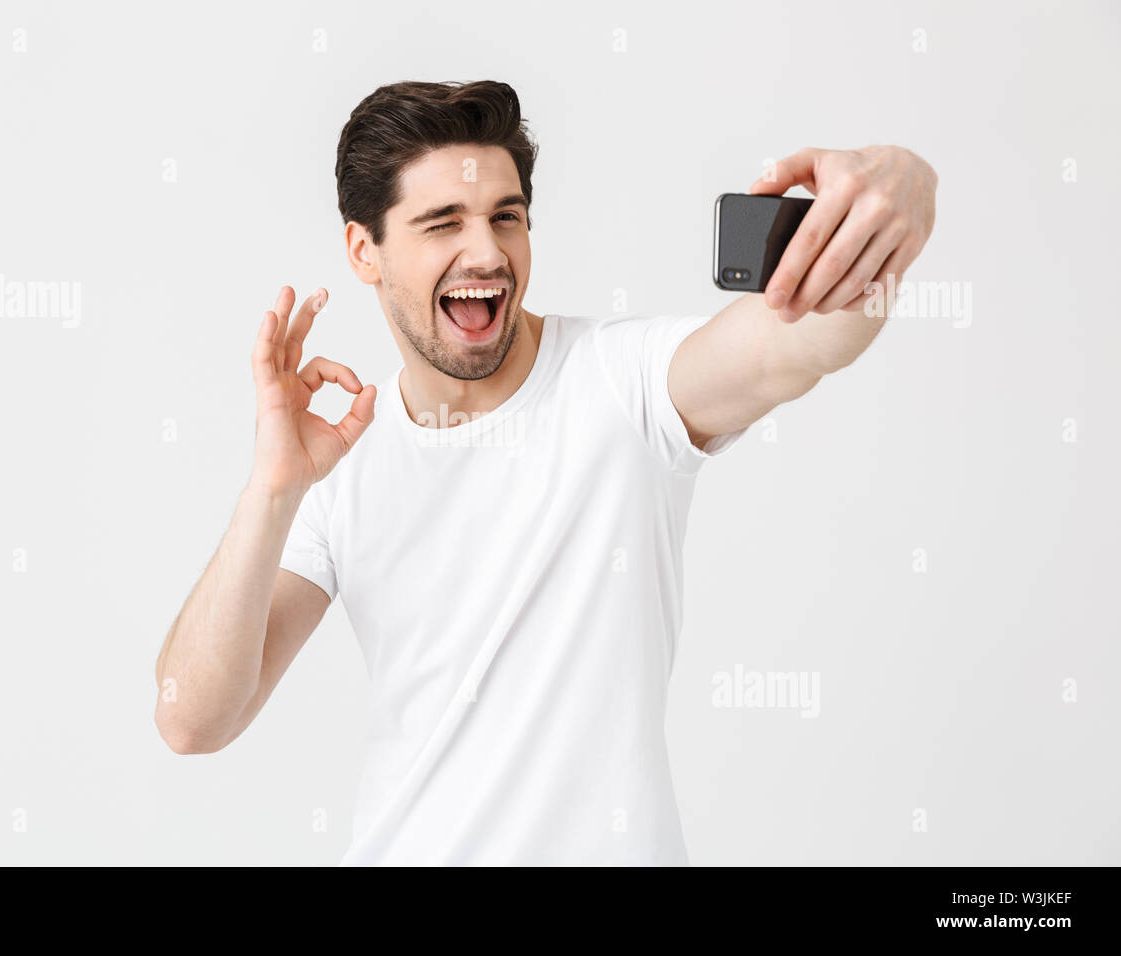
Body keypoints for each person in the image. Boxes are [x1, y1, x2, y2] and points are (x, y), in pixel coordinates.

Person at [153, 80, 937, 865]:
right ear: (365, 250)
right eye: (443, 223)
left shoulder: (627, 379)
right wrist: (272, 490)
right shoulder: (337, 456)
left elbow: (797, 347)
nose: (488, 253)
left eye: (506, 216)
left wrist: (901, 188)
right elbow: (193, 719)